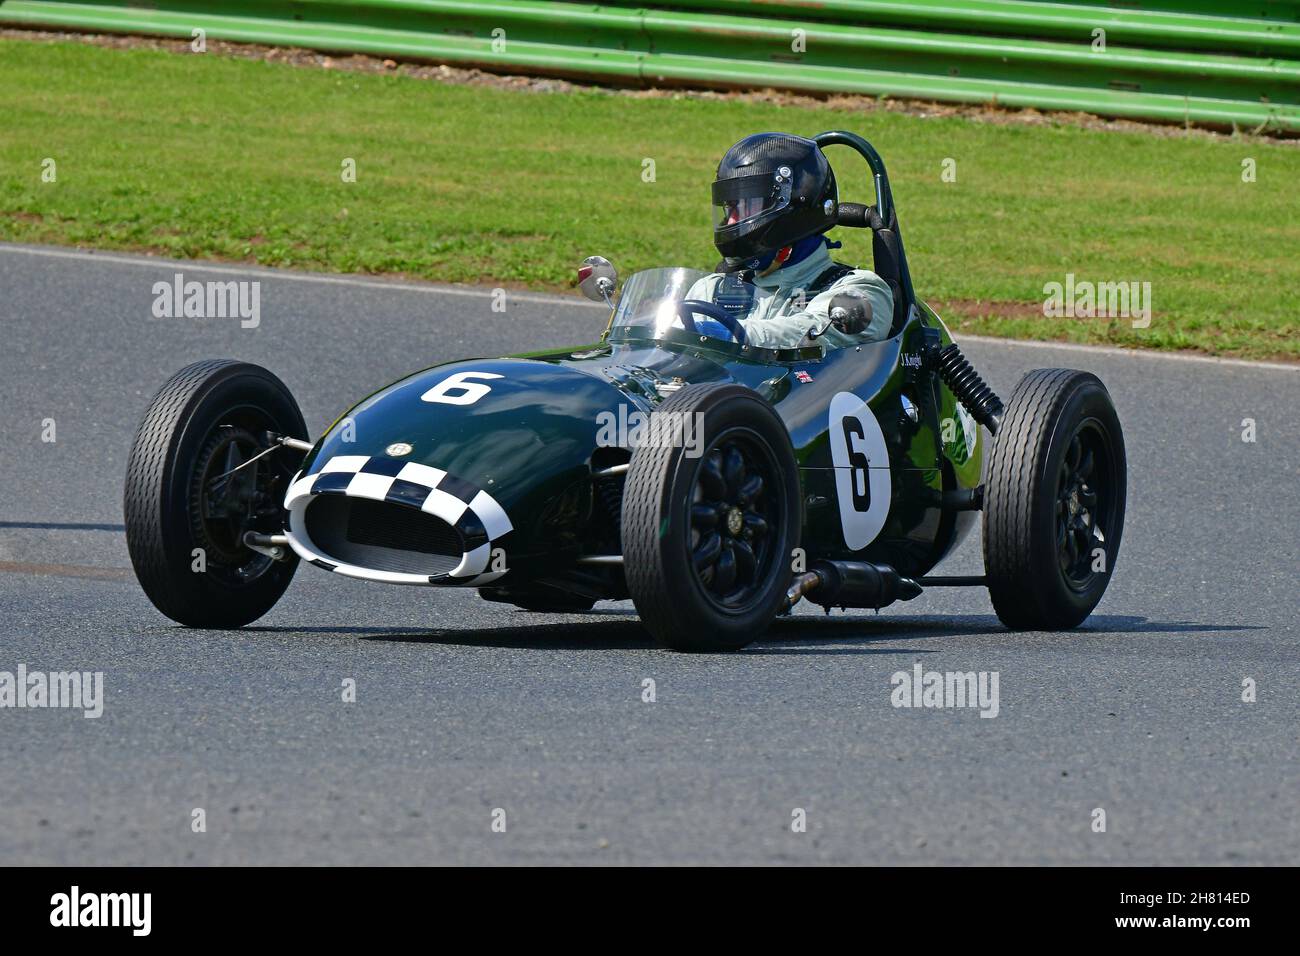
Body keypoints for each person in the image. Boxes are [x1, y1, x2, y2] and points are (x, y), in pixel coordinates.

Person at [685, 132, 893, 351]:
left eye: (746, 206)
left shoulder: (862, 293)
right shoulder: (712, 289)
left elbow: (808, 333)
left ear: (792, 211)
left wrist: (733, 334)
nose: (733, 220)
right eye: (730, 208)